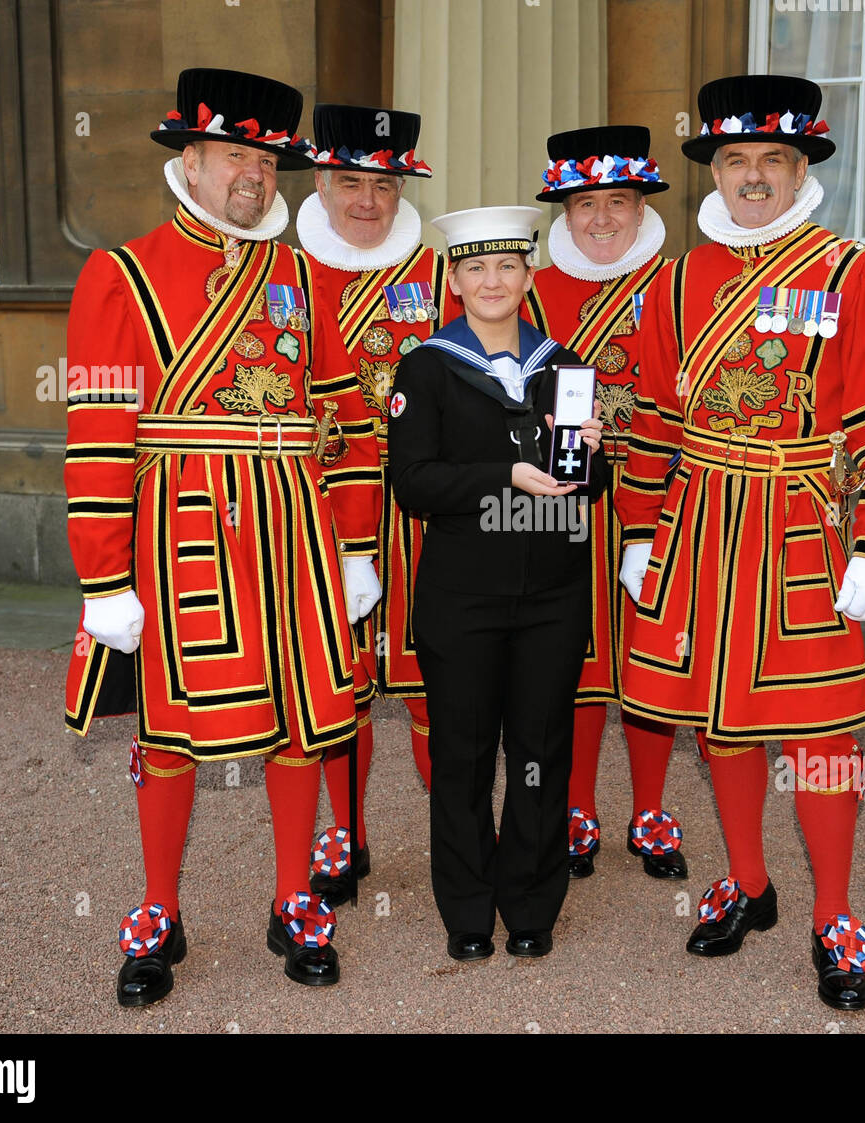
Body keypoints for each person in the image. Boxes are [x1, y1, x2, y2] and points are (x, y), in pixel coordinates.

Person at [63, 68, 382, 1004]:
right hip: (178, 530)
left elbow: (342, 416)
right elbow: (95, 432)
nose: (253, 175)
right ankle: (159, 908)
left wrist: (359, 544)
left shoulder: (299, 277)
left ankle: (294, 898)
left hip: (292, 527)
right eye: (235, 155)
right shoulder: (119, 273)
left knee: (297, 716)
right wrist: (102, 577)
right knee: (170, 729)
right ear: (191, 160)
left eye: (267, 160)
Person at [615, 74, 865, 1010]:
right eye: (736, 160)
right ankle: (751, 881)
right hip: (699, 524)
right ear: (714, 168)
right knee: (721, 717)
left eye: (772, 161)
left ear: (801, 169)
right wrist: (637, 526)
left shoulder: (852, 272)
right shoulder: (675, 280)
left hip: (799, 526)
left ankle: (835, 912)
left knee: (823, 730)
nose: (753, 177)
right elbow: (656, 421)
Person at [389, 207, 607, 962]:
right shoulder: (426, 367)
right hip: (463, 592)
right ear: (453, 279)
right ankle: (468, 909)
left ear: (528, 275)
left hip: (551, 590)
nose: (493, 281)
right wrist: (504, 475)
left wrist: (592, 453)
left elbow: (587, 484)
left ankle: (532, 901)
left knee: (543, 750)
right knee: (464, 754)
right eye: (476, 268)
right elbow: (412, 482)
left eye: (508, 267)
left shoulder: (564, 364)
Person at [297, 104, 460, 907]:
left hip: (432, 514)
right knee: (340, 680)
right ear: (323, 183)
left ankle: (453, 836)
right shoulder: (280, 273)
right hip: (324, 512)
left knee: (439, 676)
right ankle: (345, 830)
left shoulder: (445, 276)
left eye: (384, 183)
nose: (368, 200)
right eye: (351, 182)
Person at [524, 125, 692, 883]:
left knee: (650, 651)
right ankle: (578, 806)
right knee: (575, 658)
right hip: (562, 494)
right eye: (585, 202)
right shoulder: (528, 287)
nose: (600, 218)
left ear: (639, 205)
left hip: (664, 491)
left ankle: (651, 808)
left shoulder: (683, 283)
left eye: (616, 202)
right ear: (564, 209)